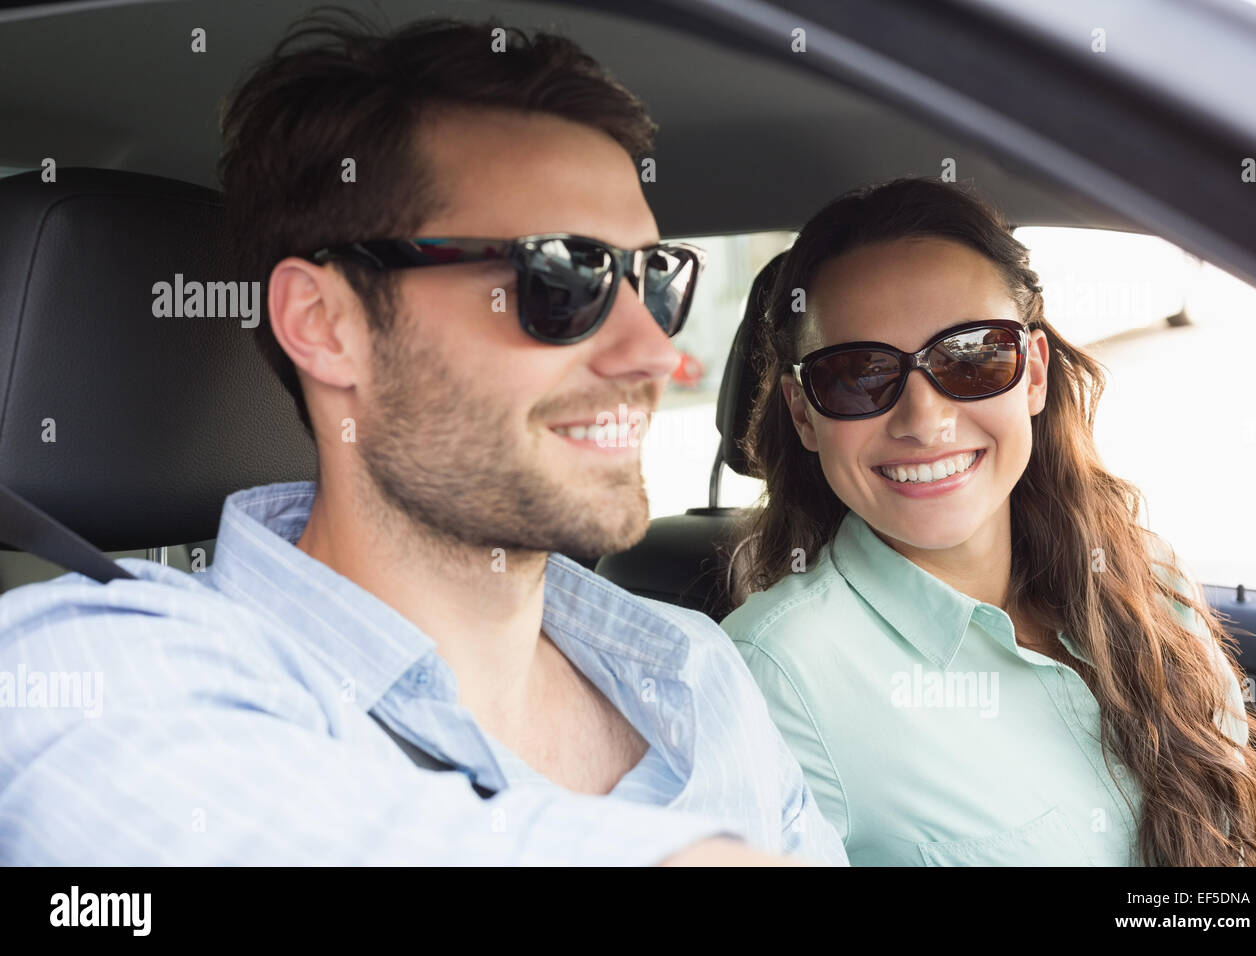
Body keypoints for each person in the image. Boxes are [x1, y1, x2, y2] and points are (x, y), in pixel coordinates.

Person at [0, 12, 847, 867]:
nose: (656, 351)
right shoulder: (88, 666)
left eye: (652, 279)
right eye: (564, 274)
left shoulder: (697, 669)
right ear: (326, 323)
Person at [720, 177, 1256, 866]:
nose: (924, 421)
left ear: (1033, 375)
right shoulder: (774, 676)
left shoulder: (1149, 577)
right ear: (804, 412)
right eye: (858, 375)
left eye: (972, 357)